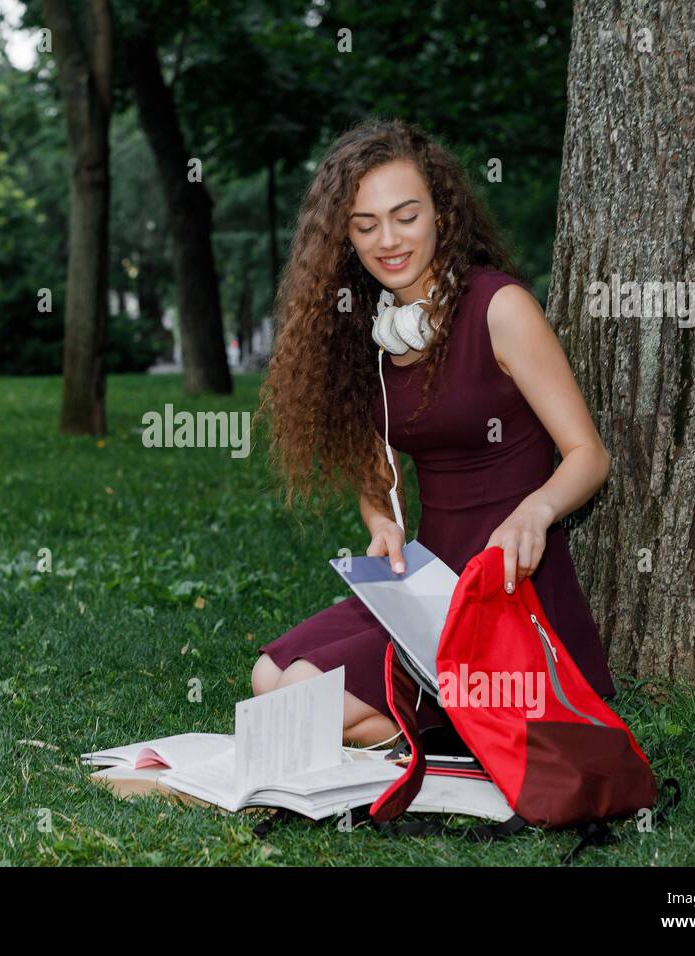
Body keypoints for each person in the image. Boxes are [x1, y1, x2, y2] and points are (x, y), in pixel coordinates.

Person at [250, 119, 617, 750]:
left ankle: (449, 722)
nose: (388, 240)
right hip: (424, 587)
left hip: (503, 592)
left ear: (441, 214)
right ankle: (433, 730)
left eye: (405, 216)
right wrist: (380, 523)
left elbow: (589, 455)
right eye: (365, 226)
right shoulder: (371, 335)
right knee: (270, 677)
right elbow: (377, 476)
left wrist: (535, 511)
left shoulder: (499, 309)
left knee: (302, 696)